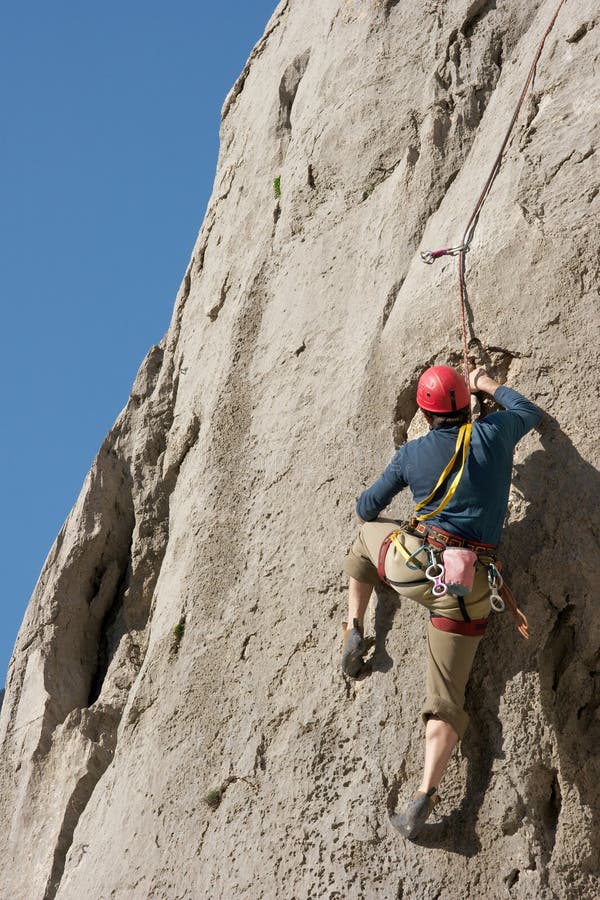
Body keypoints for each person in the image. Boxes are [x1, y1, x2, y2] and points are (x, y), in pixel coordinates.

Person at [341, 364, 542, 838]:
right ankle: (423, 797)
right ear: (465, 406)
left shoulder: (413, 453)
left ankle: (354, 628)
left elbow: (367, 508)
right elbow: (528, 411)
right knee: (446, 698)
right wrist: (485, 384)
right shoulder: (493, 432)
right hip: (470, 588)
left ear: (426, 414)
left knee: (365, 539)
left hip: (415, 566)